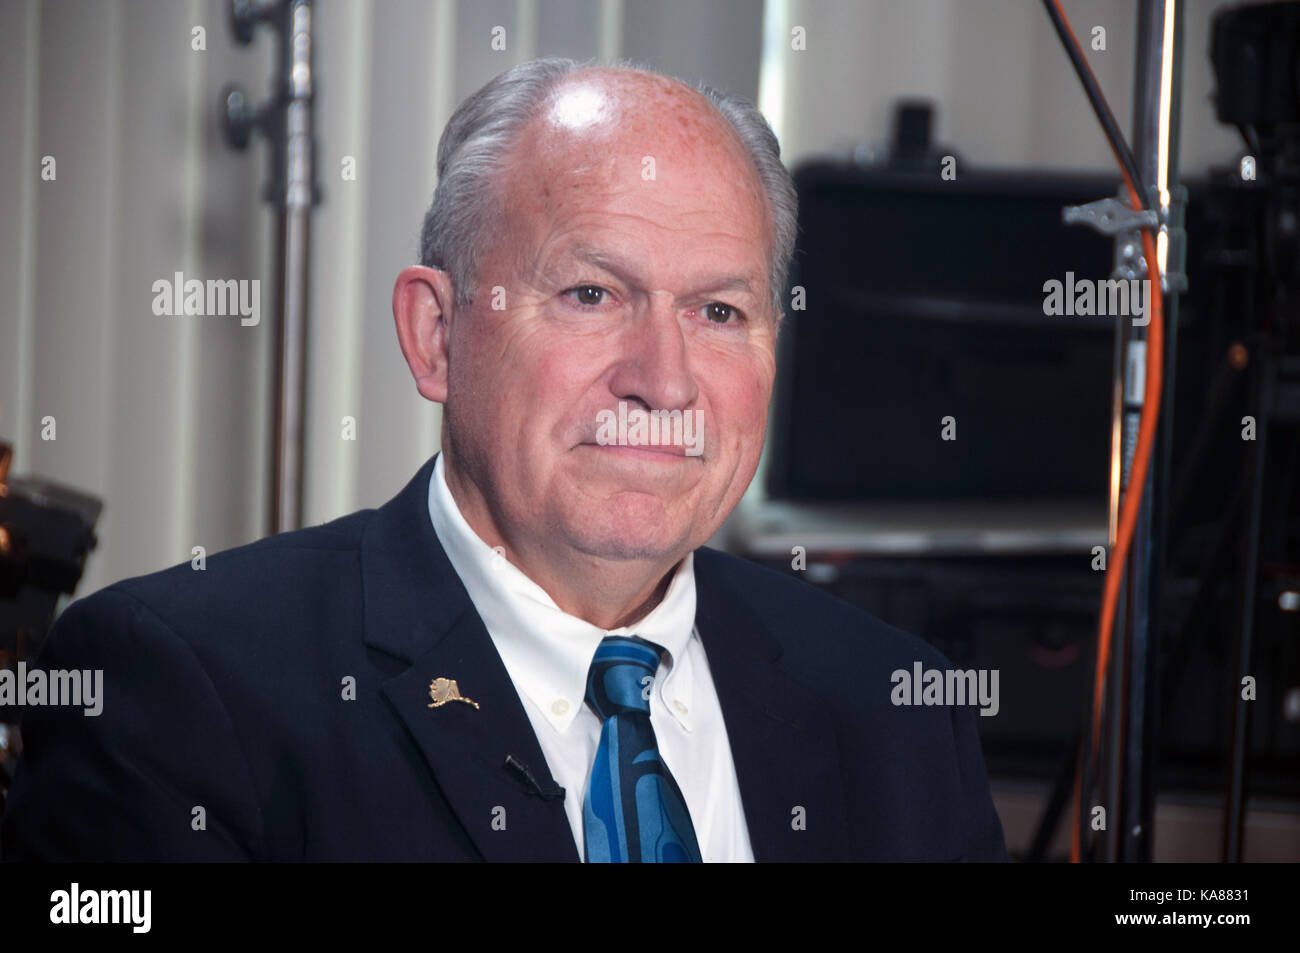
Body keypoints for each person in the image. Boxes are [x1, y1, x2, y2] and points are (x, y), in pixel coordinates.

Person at [1, 57, 1007, 862]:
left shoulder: (896, 709)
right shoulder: (177, 691)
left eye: (717, 310)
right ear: (436, 335)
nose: (663, 380)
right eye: (589, 293)